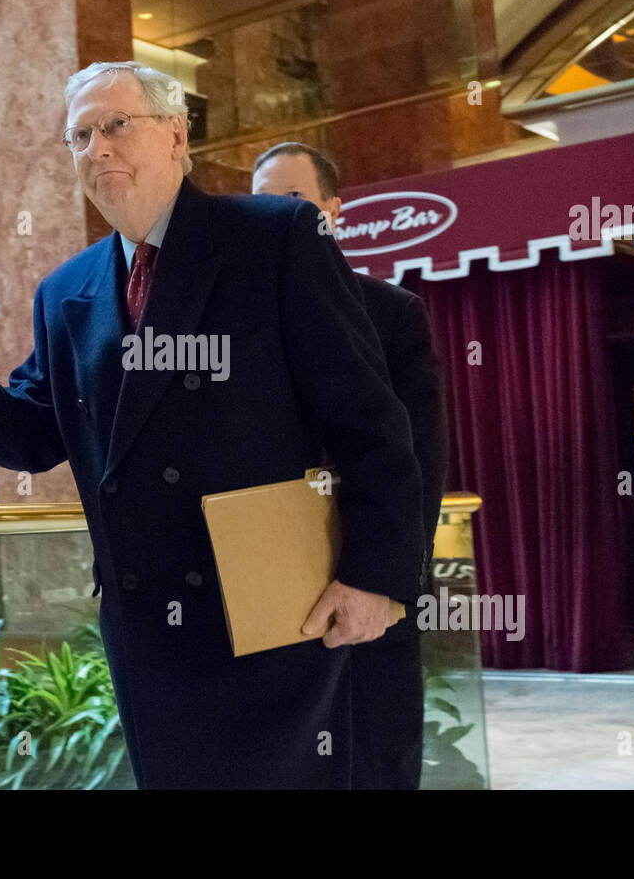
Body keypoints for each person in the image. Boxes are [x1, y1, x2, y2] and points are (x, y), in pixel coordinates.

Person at [0, 61, 425, 788]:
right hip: (148, 628)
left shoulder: (271, 238)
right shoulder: (67, 292)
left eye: (116, 125)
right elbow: (35, 434)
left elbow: (370, 421)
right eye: (79, 135)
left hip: (275, 610)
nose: (97, 148)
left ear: (178, 135)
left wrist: (376, 576)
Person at [253, 141, 448, 789]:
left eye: (291, 200)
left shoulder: (390, 313)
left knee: (376, 755)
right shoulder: (232, 327)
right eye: (260, 203)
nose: (272, 215)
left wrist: (385, 585)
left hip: (367, 578)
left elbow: (420, 453)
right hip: (264, 586)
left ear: (332, 212)